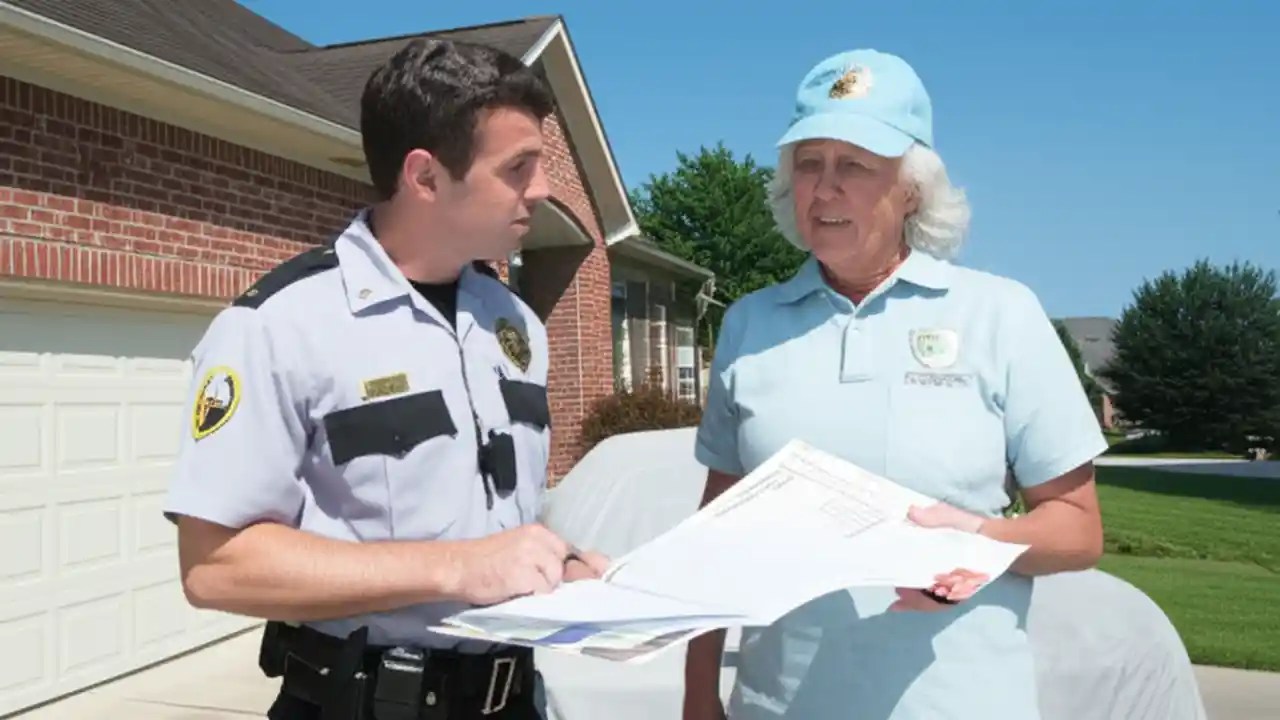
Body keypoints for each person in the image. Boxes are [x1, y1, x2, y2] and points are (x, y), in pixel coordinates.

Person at [163, 38, 608, 720]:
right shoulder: (280, 325)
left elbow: (492, 510)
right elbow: (214, 564)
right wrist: (457, 567)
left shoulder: (516, 325)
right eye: (518, 167)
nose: (542, 190)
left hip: (517, 700)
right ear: (425, 177)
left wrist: (556, 561)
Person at [682, 48, 1107, 720]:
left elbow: (1079, 531)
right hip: (775, 706)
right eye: (808, 165)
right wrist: (698, 695)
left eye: (853, 165)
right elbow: (713, 539)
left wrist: (977, 540)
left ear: (913, 188)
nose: (825, 189)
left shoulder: (1000, 314)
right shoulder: (749, 325)